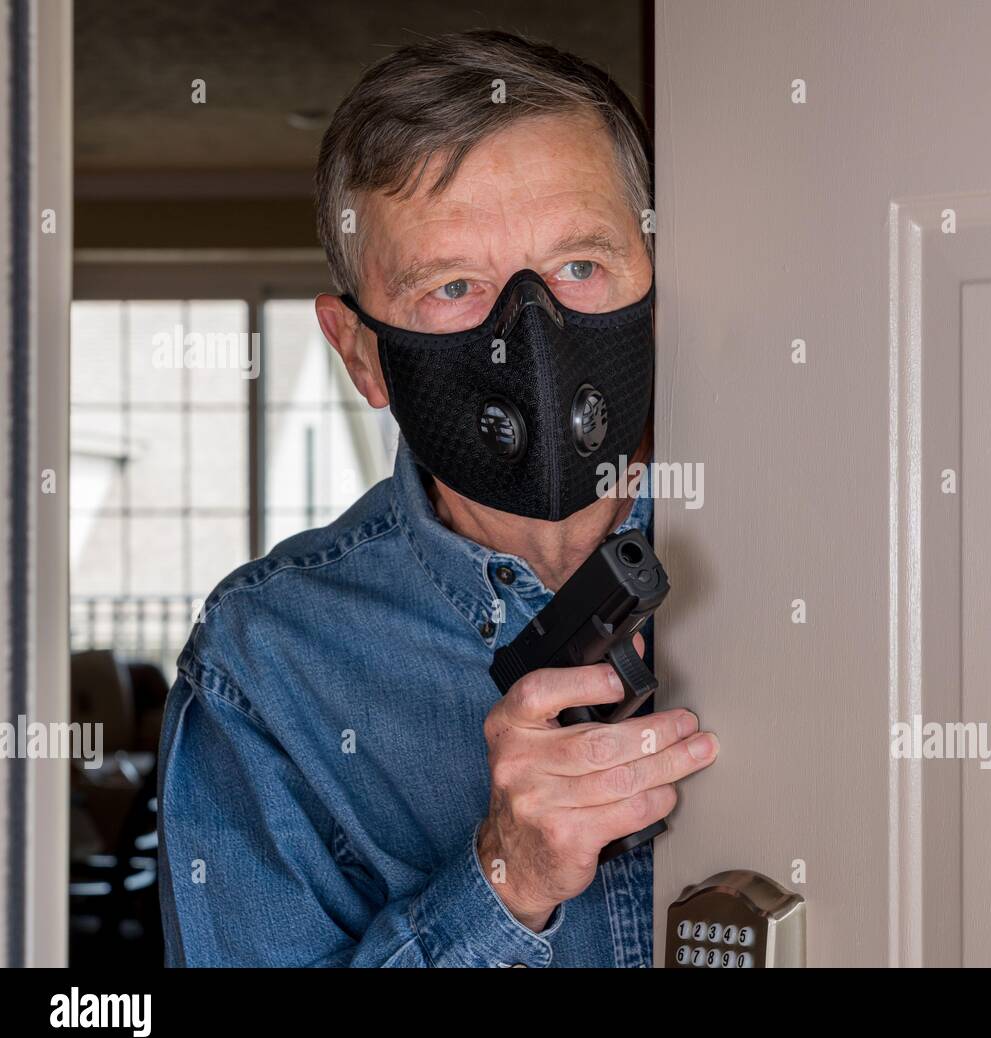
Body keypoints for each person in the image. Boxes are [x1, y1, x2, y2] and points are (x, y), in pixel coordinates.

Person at [157, 30, 718, 967]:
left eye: (581, 264)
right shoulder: (264, 665)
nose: (533, 332)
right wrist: (505, 883)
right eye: (454, 287)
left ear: (658, 281)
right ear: (361, 352)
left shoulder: (821, 551)